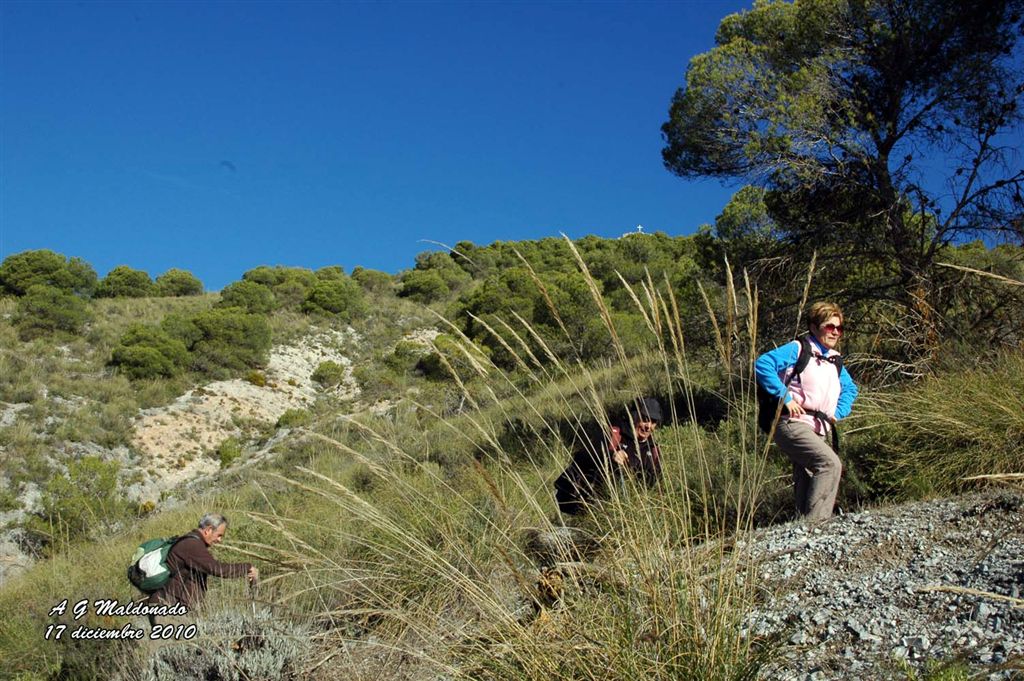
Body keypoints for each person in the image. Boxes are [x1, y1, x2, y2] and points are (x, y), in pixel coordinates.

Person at [755, 302, 858, 521]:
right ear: (813, 326)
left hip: (819, 427)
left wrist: (837, 412)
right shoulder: (798, 349)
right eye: (830, 327)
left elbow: (850, 388)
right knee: (829, 464)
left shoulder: (834, 359)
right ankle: (817, 524)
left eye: (839, 328)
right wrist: (785, 397)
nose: (836, 333)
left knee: (808, 474)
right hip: (792, 423)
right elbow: (763, 364)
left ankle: (802, 528)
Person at [555, 397, 663, 515]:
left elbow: (654, 484)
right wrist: (610, 455)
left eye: (653, 422)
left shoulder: (653, 450)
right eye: (645, 419)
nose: (648, 426)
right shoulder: (614, 434)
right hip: (588, 505)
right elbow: (582, 455)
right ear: (634, 416)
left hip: (629, 512)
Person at [146, 513, 258, 624]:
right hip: (168, 606)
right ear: (208, 530)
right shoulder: (192, 545)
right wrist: (247, 568)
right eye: (219, 535)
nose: (219, 540)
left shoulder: (191, 542)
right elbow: (216, 569)